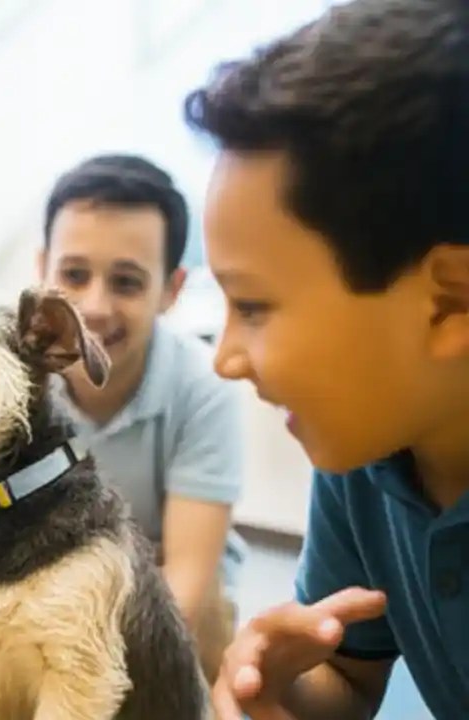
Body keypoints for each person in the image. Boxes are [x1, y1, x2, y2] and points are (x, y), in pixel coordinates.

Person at [183, 0, 469, 717]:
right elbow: (350, 675)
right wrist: (277, 688)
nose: (225, 360)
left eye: (252, 306)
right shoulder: (367, 449)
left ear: (450, 301)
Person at [36, 153, 246, 683]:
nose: (94, 306)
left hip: (161, 590)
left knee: (204, 621)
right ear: (43, 271)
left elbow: (186, 589)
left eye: (127, 282)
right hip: (47, 580)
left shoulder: (203, 390)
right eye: (74, 274)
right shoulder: (13, 379)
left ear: (171, 291)